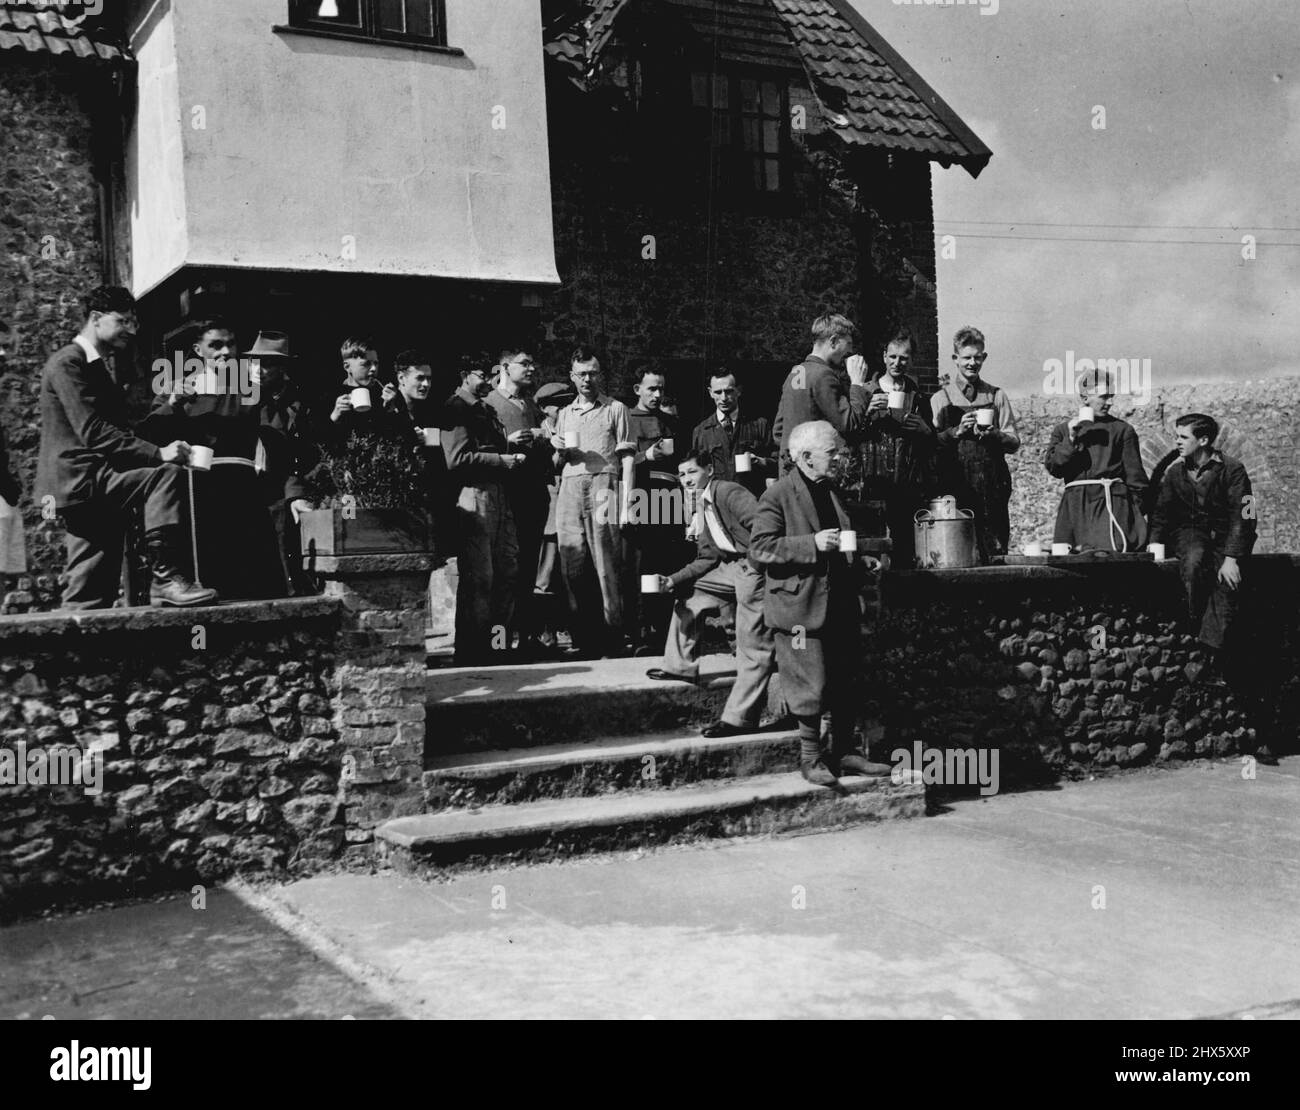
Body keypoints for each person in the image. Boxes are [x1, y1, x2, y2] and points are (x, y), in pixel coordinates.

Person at [36, 285, 215, 609]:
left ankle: (78, 653)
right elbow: (94, 432)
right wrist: (158, 454)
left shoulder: (95, 368)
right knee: (164, 474)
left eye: (134, 322)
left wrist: (171, 405)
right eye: (123, 321)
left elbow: (126, 434)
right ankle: (164, 578)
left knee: (91, 592)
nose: (131, 331)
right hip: (82, 480)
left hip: (93, 480)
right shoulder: (68, 363)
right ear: (96, 318)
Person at [749, 420, 888, 786]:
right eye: (832, 452)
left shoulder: (831, 492)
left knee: (845, 678)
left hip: (839, 602)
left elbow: (839, 544)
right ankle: (811, 757)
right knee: (808, 681)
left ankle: (843, 751)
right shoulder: (777, 495)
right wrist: (810, 543)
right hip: (799, 610)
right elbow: (759, 549)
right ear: (807, 457)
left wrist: (861, 564)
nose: (839, 457)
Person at [140, 319, 287, 600]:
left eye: (230, 344)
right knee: (208, 571)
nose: (225, 352)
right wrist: (172, 404)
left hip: (243, 490)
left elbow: (275, 433)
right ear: (198, 350)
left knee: (252, 579)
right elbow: (150, 436)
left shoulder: (250, 388)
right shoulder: (177, 387)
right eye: (215, 345)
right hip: (197, 492)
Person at [645, 452, 776, 737]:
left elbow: (765, 528)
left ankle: (740, 718)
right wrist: (672, 580)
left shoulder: (728, 491)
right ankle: (679, 666)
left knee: (752, 642)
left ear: (709, 470)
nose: (686, 480)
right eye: (681, 475)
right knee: (691, 595)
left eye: (691, 472)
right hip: (732, 568)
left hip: (757, 567)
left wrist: (754, 566)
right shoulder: (700, 505)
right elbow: (706, 558)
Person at [551, 347, 635, 658]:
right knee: (572, 565)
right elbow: (557, 465)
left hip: (605, 486)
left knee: (606, 565)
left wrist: (627, 504)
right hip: (571, 489)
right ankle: (582, 638)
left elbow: (628, 460)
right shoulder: (564, 414)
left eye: (593, 372)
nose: (588, 379)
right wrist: (557, 449)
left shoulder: (616, 409)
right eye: (581, 374)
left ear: (601, 374)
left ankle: (613, 637)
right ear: (572, 377)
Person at [1148, 413, 1255, 656]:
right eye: (1177, 436)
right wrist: (1153, 545)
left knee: (1227, 586)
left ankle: (1210, 654)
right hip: (1190, 534)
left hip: (1226, 538)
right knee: (1194, 559)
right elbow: (1161, 514)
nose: (1177, 442)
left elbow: (1245, 514)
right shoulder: (1175, 473)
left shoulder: (1233, 470)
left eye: (1183, 437)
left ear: (1204, 440)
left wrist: (1231, 559)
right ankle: (1193, 629)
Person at [443, 355, 524, 665]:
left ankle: (498, 646)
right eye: (481, 375)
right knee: (481, 578)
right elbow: (457, 459)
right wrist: (499, 461)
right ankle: (472, 652)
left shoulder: (483, 408)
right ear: (465, 375)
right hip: (474, 496)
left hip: (499, 495)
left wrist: (508, 452)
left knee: (507, 573)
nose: (488, 382)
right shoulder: (456, 407)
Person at [930, 326, 1020, 561]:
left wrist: (994, 435)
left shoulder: (996, 395)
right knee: (957, 553)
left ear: (984, 358)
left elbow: (1014, 442)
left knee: (995, 553)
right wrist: (955, 432)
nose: (972, 363)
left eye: (977, 357)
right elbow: (930, 447)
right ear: (955, 359)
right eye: (967, 357)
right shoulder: (941, 398)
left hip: (992, 487)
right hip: (955, 487)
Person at [485, 349, 552, 656]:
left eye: (531, 362)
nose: (531, 367)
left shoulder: (530, 405)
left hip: (534, 497)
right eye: (524, 363)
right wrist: (507, 443)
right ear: (504, 367)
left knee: (528, 572)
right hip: (505, 498)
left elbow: (544, 445)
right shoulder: (488, 405)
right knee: (503, 575)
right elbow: (481, 448)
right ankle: (499, 642)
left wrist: (543, 437)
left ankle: (528, 639)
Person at [246, 330, 319, 596]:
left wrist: (296, 493)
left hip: (279, 489)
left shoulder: (299, 405)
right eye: (253, 362)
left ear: (282, 368)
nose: (257, 369)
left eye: (265, 363)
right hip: (243, 485)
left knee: (285, 553)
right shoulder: (242, 397)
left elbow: (303, 453)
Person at [854, 328, 935, 566]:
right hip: (874, 480)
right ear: (884, 356)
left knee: (905, 550)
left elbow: (931, 444)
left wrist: (925, 429)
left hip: (908, 484)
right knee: (875, 547)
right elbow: (850, 433)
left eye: (903, 358)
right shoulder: (867, 391)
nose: (897, 363)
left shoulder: (917, 396)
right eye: (893, 356)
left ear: (911, 360)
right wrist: (867, 412)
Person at [1044, 369, 1148, 553]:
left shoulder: (1123, 430)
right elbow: (1054, 468)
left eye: (1111, 396)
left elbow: (1136, 480)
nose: (1110, 402)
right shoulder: (1062, 430)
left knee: (1106, 558)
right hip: (1074, 508)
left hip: (1110, 504)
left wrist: (1127, 513)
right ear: (1085, 398)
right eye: (1104, 396)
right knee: (1069, 559)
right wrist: (1071, 439)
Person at [624, 364, 684, 652]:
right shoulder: (627, 419)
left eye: (661, 388)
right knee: (642, 566)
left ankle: (664, 631)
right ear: (638, 390)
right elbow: (618, 463)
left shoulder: (670, 421)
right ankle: (642, 632)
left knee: (668, 564)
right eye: (652, 388)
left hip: (670, 499)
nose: (658, 394)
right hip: (642, 498)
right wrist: (646, 455)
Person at [772, 313, 872, 473]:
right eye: (848, 344)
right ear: (833, 341)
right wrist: (858, 384)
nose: (850, 350)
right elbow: (849, 425)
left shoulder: (795, 372)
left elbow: (778, 431)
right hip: (813, 473)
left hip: (790, 471)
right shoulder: (824, 374)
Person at [532, 381, 576, 649]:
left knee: (571, 573)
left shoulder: (574, 428)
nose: (563, 410)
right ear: (544, 408)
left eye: (567, 404)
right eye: (558, 405)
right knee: (545, 576)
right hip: (549, 512)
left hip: (572, 511)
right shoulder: (539, 436)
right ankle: (543, 631)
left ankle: (568, 627)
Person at [691, 369, 776, 499]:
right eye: (718, 392)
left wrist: (760, 461)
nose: (724, 398)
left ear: (739, 390)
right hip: (718, 504)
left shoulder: (759, 424)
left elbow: (778, 464)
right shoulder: (702, 431)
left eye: (729, 391)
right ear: (710, 393)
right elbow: (696, 475)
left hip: (752, 502)